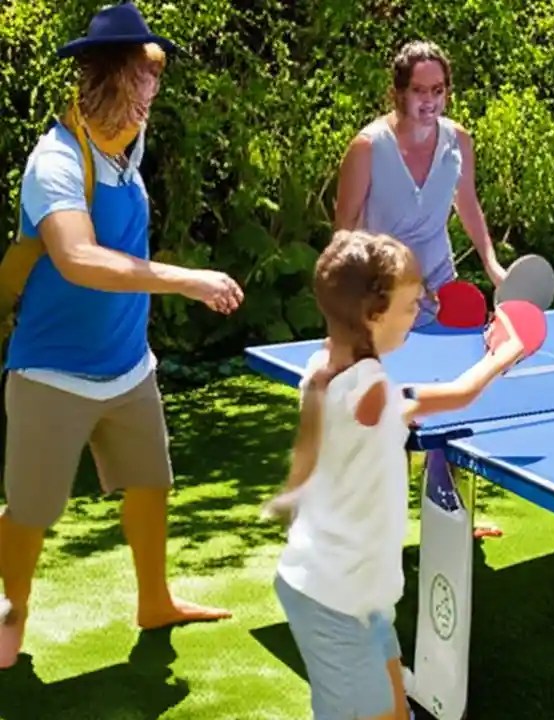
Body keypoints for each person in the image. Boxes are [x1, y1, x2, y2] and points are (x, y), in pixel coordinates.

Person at [0, 2, 242, 668]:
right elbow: (77, 258)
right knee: (31, 507)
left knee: (148, 482)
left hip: (129, 365)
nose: (151, 95)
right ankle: (9, 621)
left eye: (153, 81)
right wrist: (187, 280)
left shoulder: (126, 148)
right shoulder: (54, 158)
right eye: (141, 80)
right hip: (53, 369)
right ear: (105, 78)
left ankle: (154, 599)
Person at [266, 230, 525, 720]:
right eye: (410, 304)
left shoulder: (324, 364)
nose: (422, 310)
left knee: (396, 711)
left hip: (357, 594)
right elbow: (458, 395)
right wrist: (506, 352)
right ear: (372, 315)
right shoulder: (371, 394)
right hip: (334, 601)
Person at [334, 40, 507, 331]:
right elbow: (343, 233)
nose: (429, 100)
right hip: (381, 296)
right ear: (397, 93)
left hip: (439, 289)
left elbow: (467, 203)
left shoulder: (458, 141)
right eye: (419, 90)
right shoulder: (366, 148)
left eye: (438, 90)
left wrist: (491, 264)